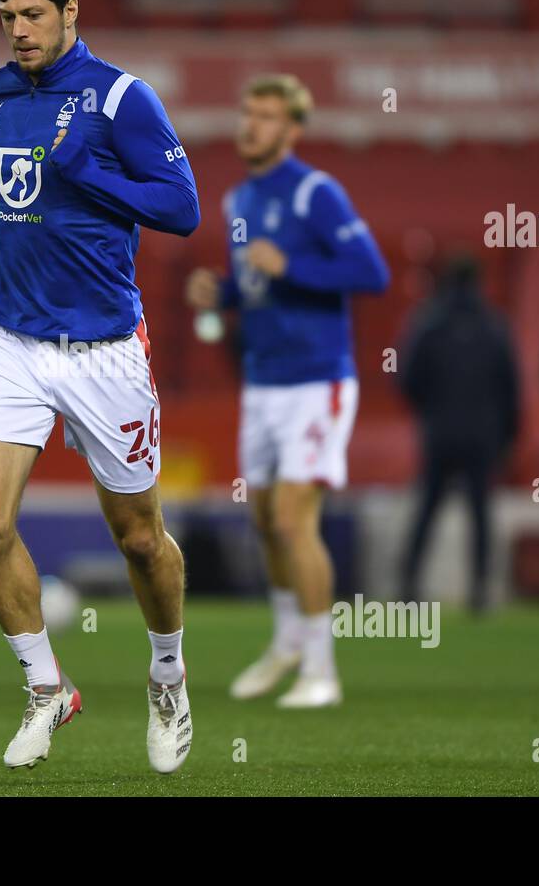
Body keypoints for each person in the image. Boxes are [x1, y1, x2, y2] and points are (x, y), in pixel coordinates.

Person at [0, 0, 200, 772]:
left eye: (32, 15)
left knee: (139, 540)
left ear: (70, 13)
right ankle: (45, 688)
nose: (18, 32)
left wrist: (92, 173)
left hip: (103, 349)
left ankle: (167, 676)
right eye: (6, 18)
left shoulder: (123, 97)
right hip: (11, 339)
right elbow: (18, 203)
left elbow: (182, 208)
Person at [186, 74, 389, 709]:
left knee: (294, 520)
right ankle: (286, 643)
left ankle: (322, 672)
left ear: (293, 131)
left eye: (268, 116)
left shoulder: (316, 193)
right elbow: (254, 284)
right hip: (264, 382)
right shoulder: (238, 200)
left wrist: (292, 267)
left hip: (316, 380)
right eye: (248, 112)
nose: (252, 125)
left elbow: (372, 272)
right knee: (265, 523)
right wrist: (219, 292)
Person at [396, 256, 519, 611]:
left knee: (427, 509)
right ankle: (479, 589)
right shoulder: (493, 325)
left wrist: (431, 412)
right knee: (480, 514)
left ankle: (409, 583)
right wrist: (507, 435)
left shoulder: (429, 323)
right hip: (483, 435)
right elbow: (509, 387)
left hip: (440, 433)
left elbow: (407, 380)